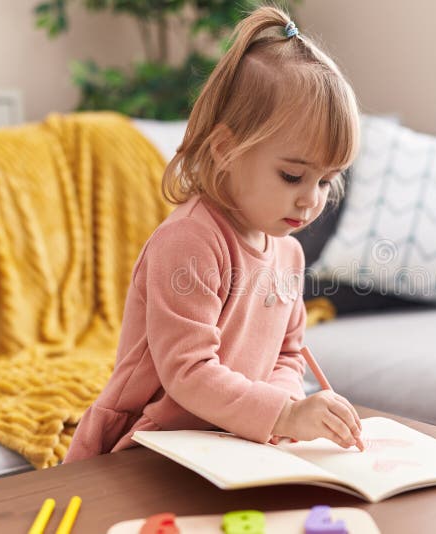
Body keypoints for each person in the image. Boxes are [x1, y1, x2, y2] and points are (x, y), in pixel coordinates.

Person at [64, 4, 363, 463]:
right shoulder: (189, 241)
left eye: (325, 181)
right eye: (292, 176)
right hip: (146, 447)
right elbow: (188, 372)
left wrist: (289, 416)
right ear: (225, 151)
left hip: (231, 447)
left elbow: (288, 353)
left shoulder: (289, 255)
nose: (311, 200)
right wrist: (283, 415)